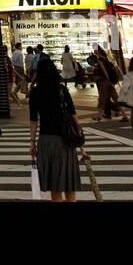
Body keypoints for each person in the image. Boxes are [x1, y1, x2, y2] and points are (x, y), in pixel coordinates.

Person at [29, 56, 81, 201]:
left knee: (55, 186)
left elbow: (34, 121)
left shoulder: (35, 92)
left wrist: (32, 142)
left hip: (46, 141)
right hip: (66, 141)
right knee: (69, 185)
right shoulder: (61, 89)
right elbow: (73, 115)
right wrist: (80, 137)